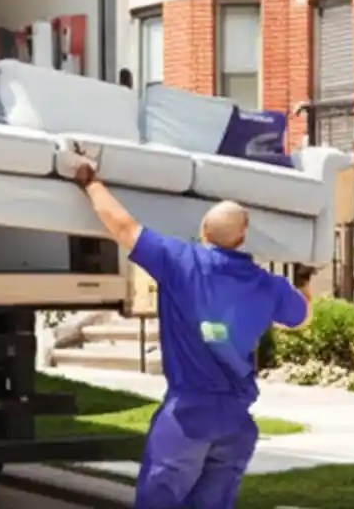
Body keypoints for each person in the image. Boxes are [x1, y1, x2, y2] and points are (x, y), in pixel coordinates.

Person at [69, 157, 312, 509]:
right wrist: (303, 281)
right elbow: (302, 317)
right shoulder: (268, 286)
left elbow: (122, 227)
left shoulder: (179, 262)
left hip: (187, 418)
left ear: (202, 230)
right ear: (243, 238)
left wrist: (89, 181)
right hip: (234, 423)